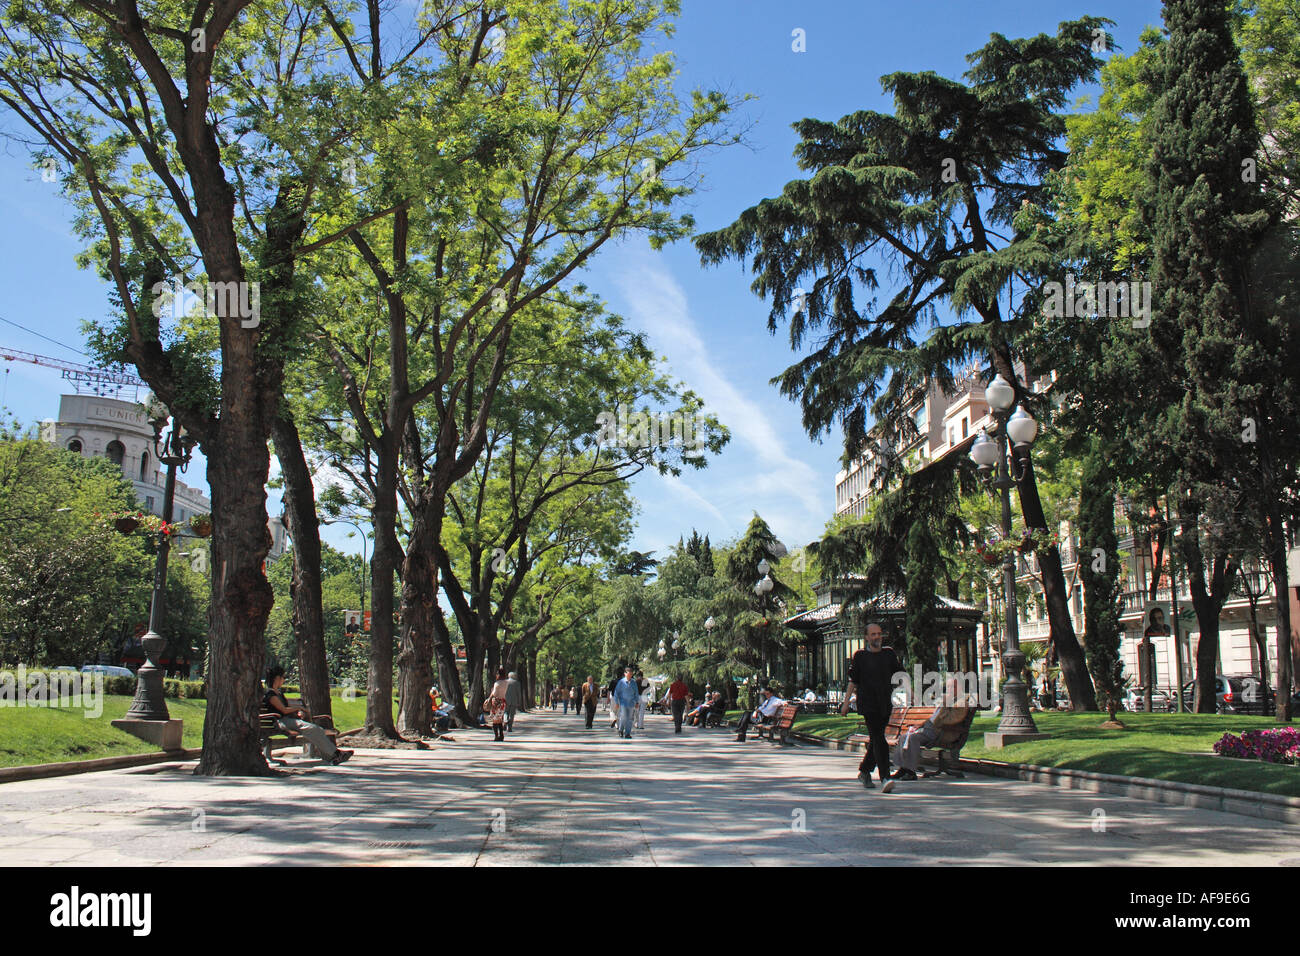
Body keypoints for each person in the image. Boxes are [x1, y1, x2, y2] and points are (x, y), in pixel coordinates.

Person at [842, 622, 901, 793]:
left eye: (879, 634)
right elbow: (853, 681)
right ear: (866, 637)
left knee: (877, 738)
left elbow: (900, 674)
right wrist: (846, 704)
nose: (877, 637)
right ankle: (885, 778)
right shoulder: (860, 656)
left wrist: (912, 692)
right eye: (873, 634)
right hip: (868, 704)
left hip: (884, 703)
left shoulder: (889, 654)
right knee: (878, 737)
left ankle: (865, 771)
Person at [262, 666, 352, 766]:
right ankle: (336, 754)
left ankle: (334, 756)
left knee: (314, 730)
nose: (284, 680)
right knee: (314, 729)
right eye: (283, 677)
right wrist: (299, 709)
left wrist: (298, 713)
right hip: (280, 722)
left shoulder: (278, 693)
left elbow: (287, 710)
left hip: (289, 721)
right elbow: (283, 710)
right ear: (277, 678)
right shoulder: (270, 694)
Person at [892, 676, 974, 782]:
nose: (949, 689)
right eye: (948, 686)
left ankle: (911, 772)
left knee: (913, 739)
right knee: (904, 737)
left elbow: (952, 721)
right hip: (931, 730)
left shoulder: (961, 702)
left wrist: (945, 705)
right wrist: (920, 726)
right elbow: (932, 718)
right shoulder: (949, 700)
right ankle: (903, 769)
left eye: (953, 686)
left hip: (941, 732)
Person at [612, 666, 639, 739]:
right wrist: (617, 702)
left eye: (631, 674)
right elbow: (616, 692)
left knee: (630, 718)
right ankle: (621, 730)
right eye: (628, 674)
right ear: (625, 674)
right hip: (623, 703)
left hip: (631, 703)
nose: (630, 675)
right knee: (623, 717)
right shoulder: (621, 682)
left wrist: (637, 702)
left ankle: (627, 733)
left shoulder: (633, 682)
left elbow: (636, 692)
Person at [487, 667, 511, 741]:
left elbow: (494, 693)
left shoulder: (497, 683)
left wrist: (489, 698)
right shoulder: (506, 683)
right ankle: (501, 735)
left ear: (499, 674)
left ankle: (496, 735)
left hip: (496, 702)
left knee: (494, 720)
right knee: (500, 719)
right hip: (503, 702)